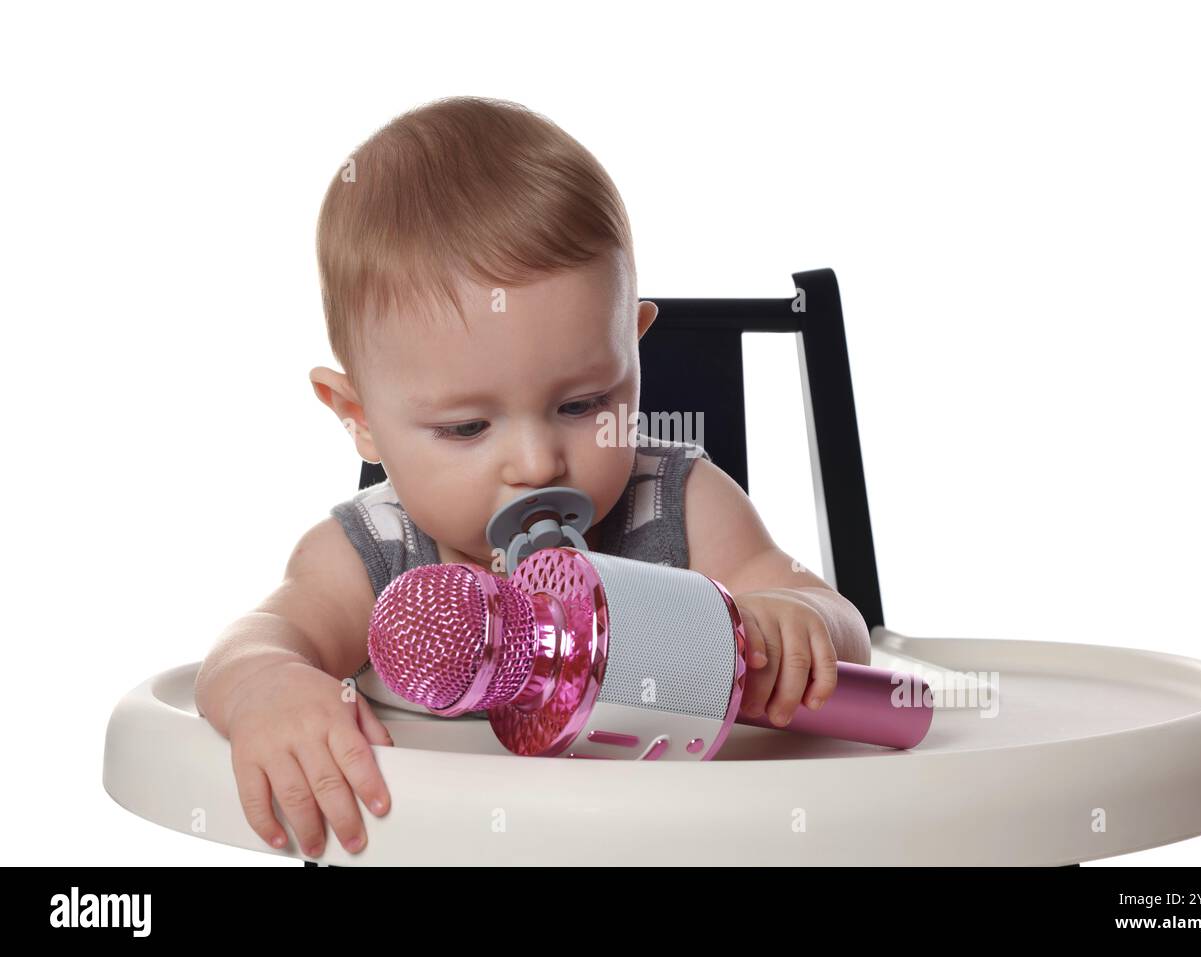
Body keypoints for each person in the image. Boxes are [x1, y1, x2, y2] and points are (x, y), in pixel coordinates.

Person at [194, 95, 871, 862]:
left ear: (634, 350)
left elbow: (838, 626)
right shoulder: (375, 554)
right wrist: (266, 687)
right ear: (361, 416)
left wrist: (793, 624)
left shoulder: (674, 505)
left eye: (582, 403)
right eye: (467, 427)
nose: (537, 462)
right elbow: (250, 644)